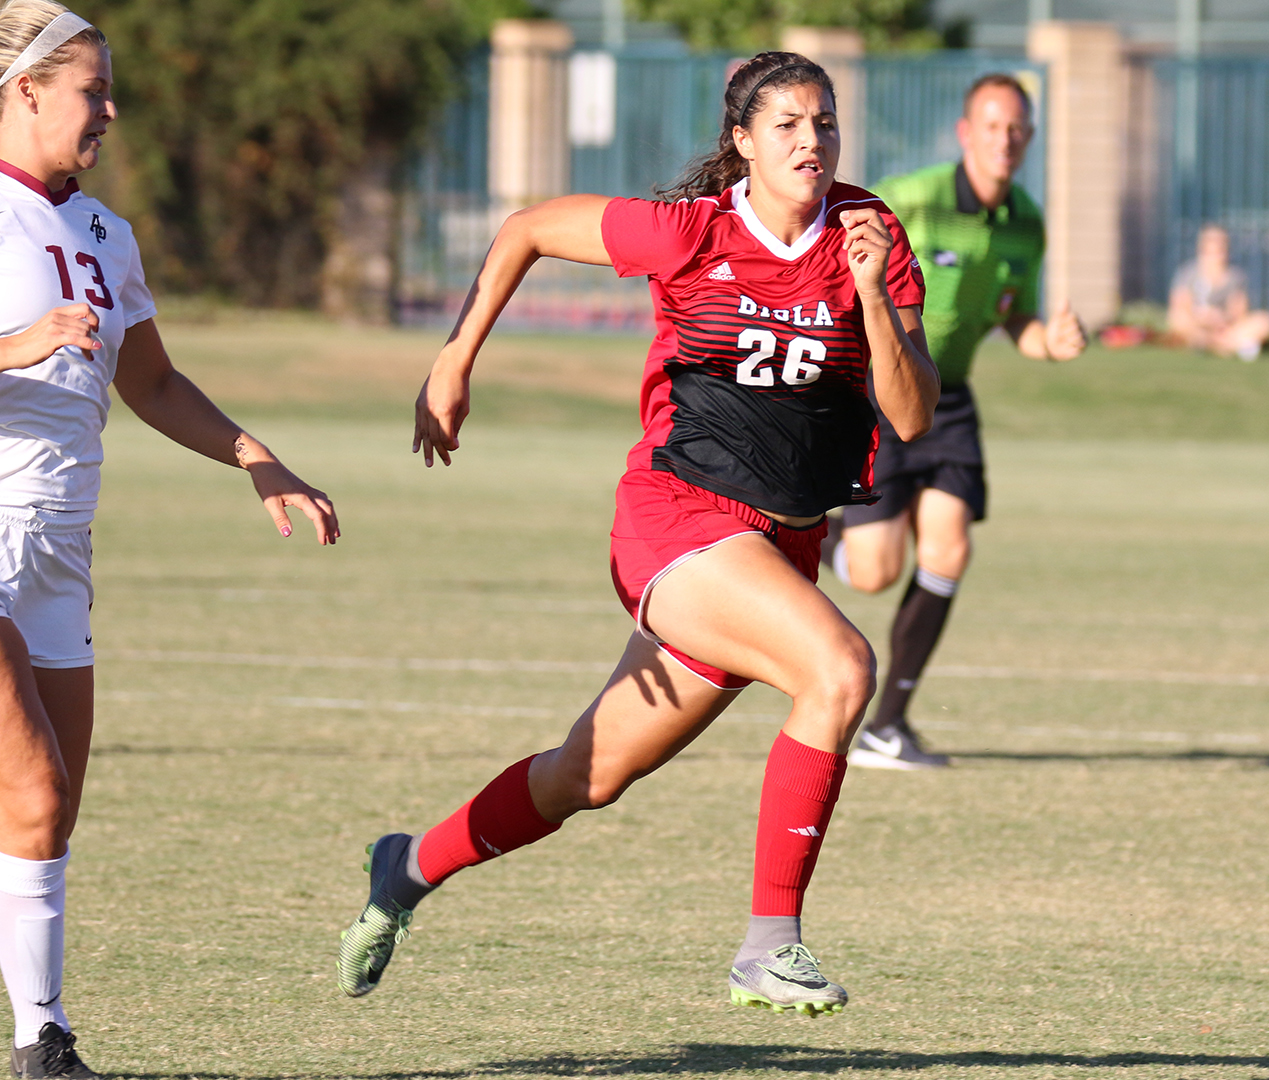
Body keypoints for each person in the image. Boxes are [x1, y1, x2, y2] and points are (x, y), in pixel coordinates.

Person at [333, 51, 937, 1019]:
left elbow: (910, 417)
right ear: (741, 143)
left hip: (779, 549)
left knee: (588, 775)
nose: (810, 142)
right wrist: (455, 358)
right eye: (784, 124)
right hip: (679, 520)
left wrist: (869, 297)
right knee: (839, 670)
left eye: (824, 123)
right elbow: (528, 228)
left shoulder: (871, 234)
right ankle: (768, 947)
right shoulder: (687, 233)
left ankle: (406, 868)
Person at [0, 4, 340, 1076]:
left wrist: (256, 458)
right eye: (92, 89)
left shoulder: (103, 234)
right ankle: (44, 1045)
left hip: (60, 551)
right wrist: (20, 342)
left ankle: (37, 1028)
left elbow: (148, 381)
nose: (111, 107)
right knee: (33, 790)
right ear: (25, 92)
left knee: (45, 822)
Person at [827, 73, 1084, 771]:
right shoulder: (915, 199)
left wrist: (1046, 342)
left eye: (1018, 129)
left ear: (1029, 139)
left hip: (954, 399)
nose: (1006, 140)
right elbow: (842, 252)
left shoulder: (1027, 221)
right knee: (874, 574)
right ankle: (829, 540)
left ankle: (888, 727)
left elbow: (1014, 316)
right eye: (993, 127)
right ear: (966, 133)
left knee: (949, 547)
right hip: (883, 393)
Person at [1167, 224, 1269, 361]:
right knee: (1178, 319)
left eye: (1220, 242)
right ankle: (1227, 345)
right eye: (1211, 241)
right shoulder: (1187, 273)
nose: (1216, 246)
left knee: (1265, 321)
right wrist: (1203, 317)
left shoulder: (1236, 276)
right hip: (1197, 325)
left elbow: (1239, 313)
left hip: (1225, 328)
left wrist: (1221, 318)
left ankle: (1215, 344)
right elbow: (1180, 307)